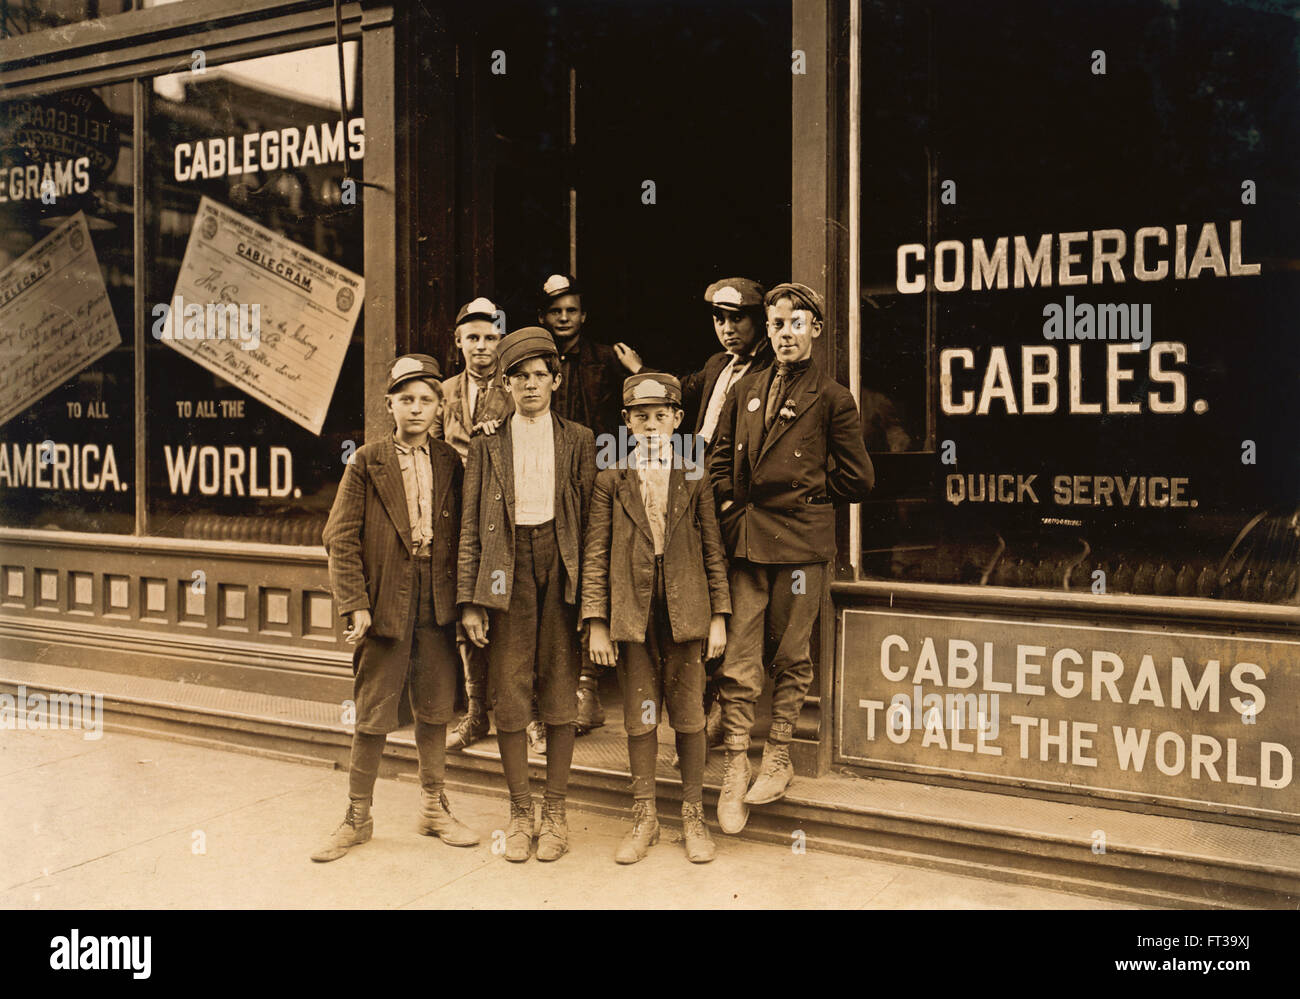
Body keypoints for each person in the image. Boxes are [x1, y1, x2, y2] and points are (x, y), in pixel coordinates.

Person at [708, 283, 875, 834]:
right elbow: (716, 464)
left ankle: (778, 755)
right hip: (749, 543)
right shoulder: (747, 388)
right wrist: (732, 510)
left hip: (801, 549)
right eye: (777, 324)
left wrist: (806, 492)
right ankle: (736, 762)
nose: (784, 334)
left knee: (791, 651)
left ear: (816, 331)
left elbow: (859, 479)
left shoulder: (832, 398)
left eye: (795, 323)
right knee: (738, 654)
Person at [313, 354, 479, 862]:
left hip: (437, 601)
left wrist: (468, 603)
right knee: (374, 710)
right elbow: (339, 538)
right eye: (406, 399)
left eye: (426, 400)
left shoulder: (452, 462)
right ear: (390, 405)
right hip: (386, 600)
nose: (416, 408)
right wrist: (356, 605)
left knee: (434, 707)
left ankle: (433, 807)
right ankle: (357, 816)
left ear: (440, 408)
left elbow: (466, 536)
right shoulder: (367, 460)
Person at [458, 327, 597, 862]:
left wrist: (592, 602)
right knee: (509, 690)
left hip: (560, 568)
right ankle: (520, 812)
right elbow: (471, 523)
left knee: (560, 690)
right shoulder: (487, 439)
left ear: (557, 381)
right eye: (520, 377)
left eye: (541, 375)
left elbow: (592, 526)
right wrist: (472, 598)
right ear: (505, 383)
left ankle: (556, 811)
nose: (531, 385)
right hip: (506, 566)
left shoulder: (580, 439)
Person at [582, 373, 731, 864]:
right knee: (640, 716)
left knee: (689, 715)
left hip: (686, 614)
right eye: (640, 417)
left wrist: (719, 616)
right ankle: (644, 815)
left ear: (677, 421)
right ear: (626, 422)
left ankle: (693, 815)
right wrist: (598, 621)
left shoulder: (695, 475)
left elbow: (713, 551)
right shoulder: (611, 479)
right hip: (633, 616)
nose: (650, 425)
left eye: (660, 416)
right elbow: (596, 555)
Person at [536, 272, 642, 735]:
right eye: (556, 312)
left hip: (600, 480)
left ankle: (589, 685)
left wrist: (639, 371)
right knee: (558, 576)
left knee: (594, 572)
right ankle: (566, 687)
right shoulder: (534, 363)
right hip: (549, 482)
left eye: (571, 311)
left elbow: (644, 410)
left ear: (584, 315)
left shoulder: (607, 359)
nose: (564, 318)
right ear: (544, 316)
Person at [678, 277, 775, 753]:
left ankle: (727, 713)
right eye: (719, 319)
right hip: (698, 493)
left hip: (735, 505)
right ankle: (697, 712)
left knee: (736, 605)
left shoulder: (771, 370)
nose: (728, 328)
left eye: (738, 318)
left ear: (759, 320)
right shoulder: (717, 365)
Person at [431, 297, 520, 753]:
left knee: (509, 610)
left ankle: (524, 714)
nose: (481, 347)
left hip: (501, 514)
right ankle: (475, 712)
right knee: (465, 612)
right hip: (456, 517)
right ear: (458, 342)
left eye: (489, 338)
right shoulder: (442, 392)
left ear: (500, 341)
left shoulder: (516, 390)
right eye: (473, 338)